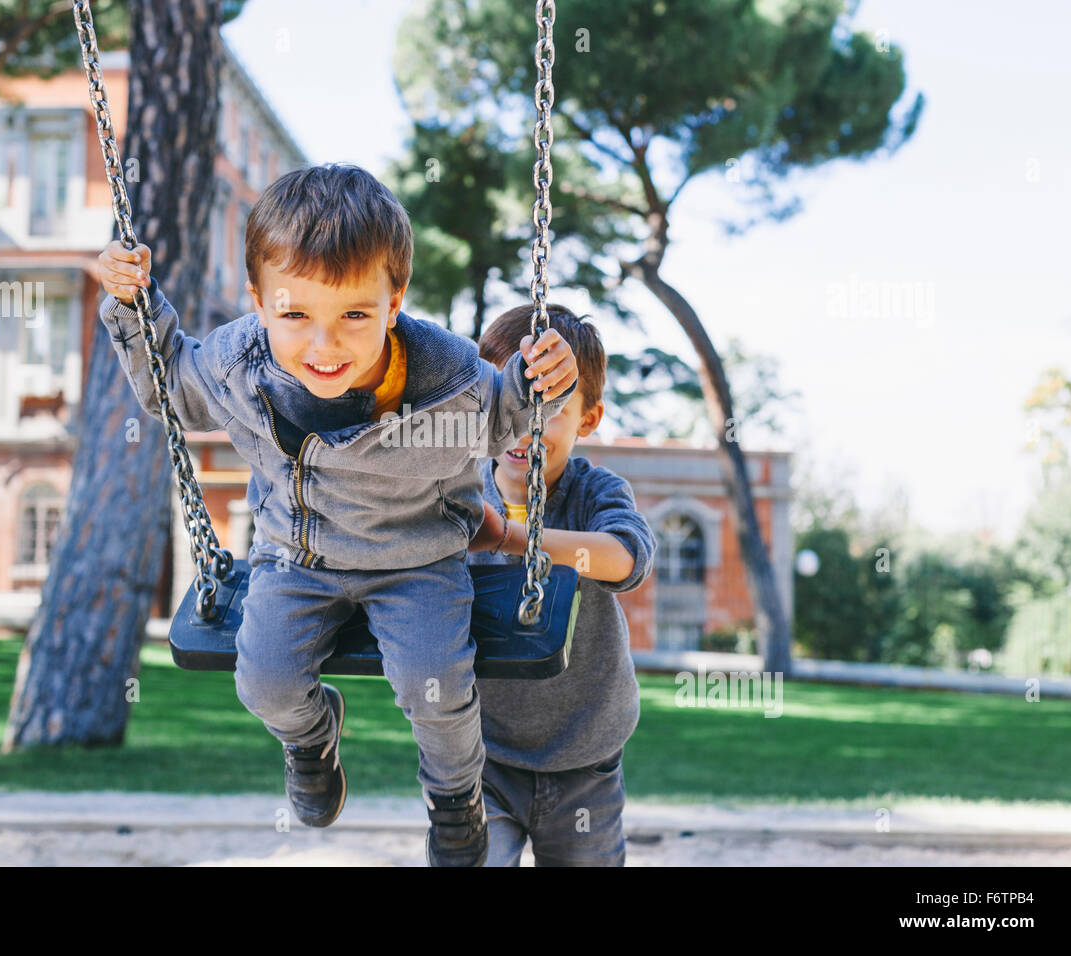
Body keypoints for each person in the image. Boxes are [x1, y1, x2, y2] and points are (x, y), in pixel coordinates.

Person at [95, 163, 578, 866]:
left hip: (417, 562)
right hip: (296, 558)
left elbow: (504, 417)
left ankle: (455, 797)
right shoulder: (237, 368)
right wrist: (134, 307)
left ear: (395, 301)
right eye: (295, 315)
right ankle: (311, 740)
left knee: (433, 685)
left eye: (355, 314)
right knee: (263, 680)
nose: (324, 346)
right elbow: (172, 385)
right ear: (258, 302)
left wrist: (541, 383)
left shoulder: (449, 384)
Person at [468, 303, 656, 866]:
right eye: (507, 403)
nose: (523, 427)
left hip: (585, 757)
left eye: (547, 409)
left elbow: (626, 558)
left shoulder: (595, 492)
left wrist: (511, 537)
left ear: (588, 419)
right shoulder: (456, 490)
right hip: (480, 754)